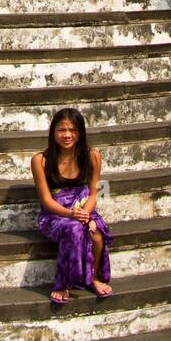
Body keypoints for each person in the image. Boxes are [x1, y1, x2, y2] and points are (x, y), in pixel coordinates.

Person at [31, 107, 113, 304]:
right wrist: (71, 215)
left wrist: (85, 214)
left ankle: (93, 278)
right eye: (62, 130)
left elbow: (93, 194)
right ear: (53, 132)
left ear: (80, 132)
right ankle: (63, 283)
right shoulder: (40, 160)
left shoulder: (92, 156)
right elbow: (46, 201)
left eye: (72, 130)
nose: (67, 135)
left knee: (96, 235)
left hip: (83, 208)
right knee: (74, 229)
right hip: (55, 214)